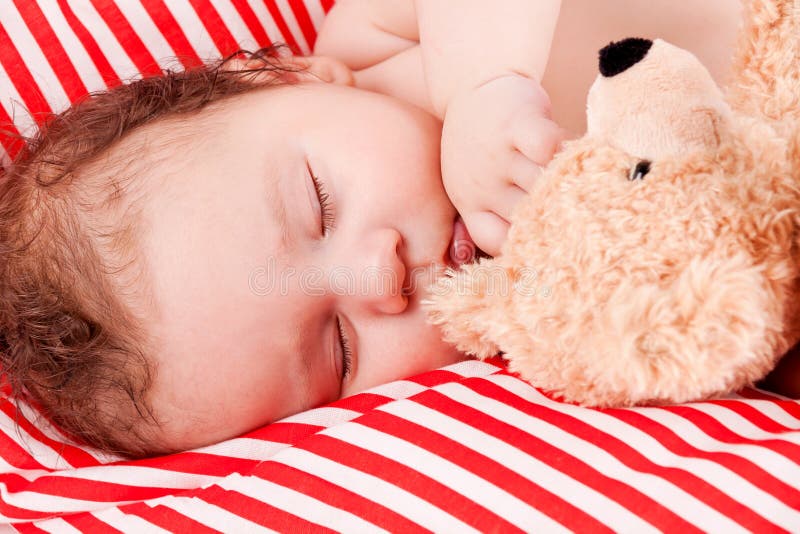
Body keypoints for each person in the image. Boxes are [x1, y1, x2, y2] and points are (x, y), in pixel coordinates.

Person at [0, 0, 793, 459]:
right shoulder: (530, 313)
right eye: (338, 350)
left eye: (320, 203)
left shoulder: (382, 40)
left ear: (286, 77)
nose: (379, 279)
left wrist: (484, 86)